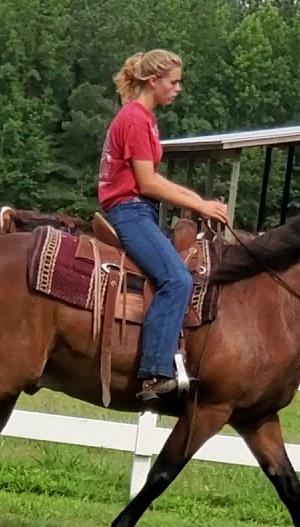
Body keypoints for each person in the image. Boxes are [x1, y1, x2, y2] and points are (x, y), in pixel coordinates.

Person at [97, 49, 230, 402]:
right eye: (173, 82)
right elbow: (147, 182)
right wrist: (200, 203)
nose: (178, 88)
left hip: (139, 210)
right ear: (153, 81)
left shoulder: (145, 119)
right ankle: (155, 374)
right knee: (177, 279)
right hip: (132, 211)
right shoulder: (137, 120)